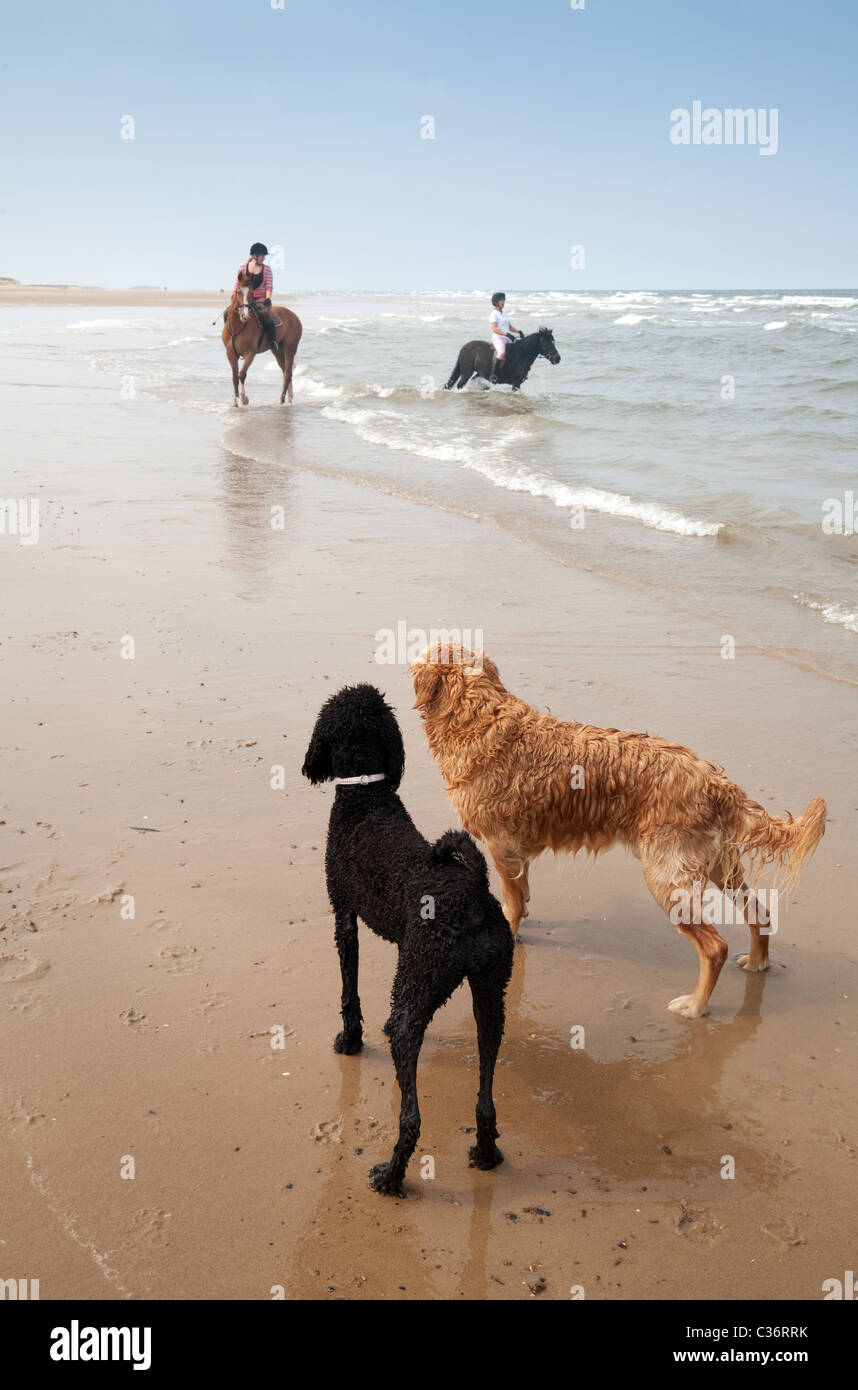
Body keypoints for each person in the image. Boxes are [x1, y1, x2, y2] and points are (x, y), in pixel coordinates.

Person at [233, 242, 278, 351]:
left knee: (266, 314)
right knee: (228, 313)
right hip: (244, 297)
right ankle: (231, 338)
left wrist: (268, 298)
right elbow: (237, 284)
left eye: (264, 256)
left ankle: (273, 341)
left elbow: (269, 286)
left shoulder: (266, 269)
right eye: (262, 256)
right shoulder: (243, 268)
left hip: (259, 298)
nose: (264, 258)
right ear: (254, 255)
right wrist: (234, 296)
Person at [489, 292, 523, 382]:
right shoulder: (494, 314)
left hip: (507, 337)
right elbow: (494, 329)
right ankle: (493, 374)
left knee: (518, 350)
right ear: (496, 302)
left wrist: (519, 331)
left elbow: (510, 327)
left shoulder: (505, 312)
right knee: (502, 352)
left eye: (504, 299)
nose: (503, 302)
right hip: (498, 337)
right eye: (501, 300)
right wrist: (506, 334)